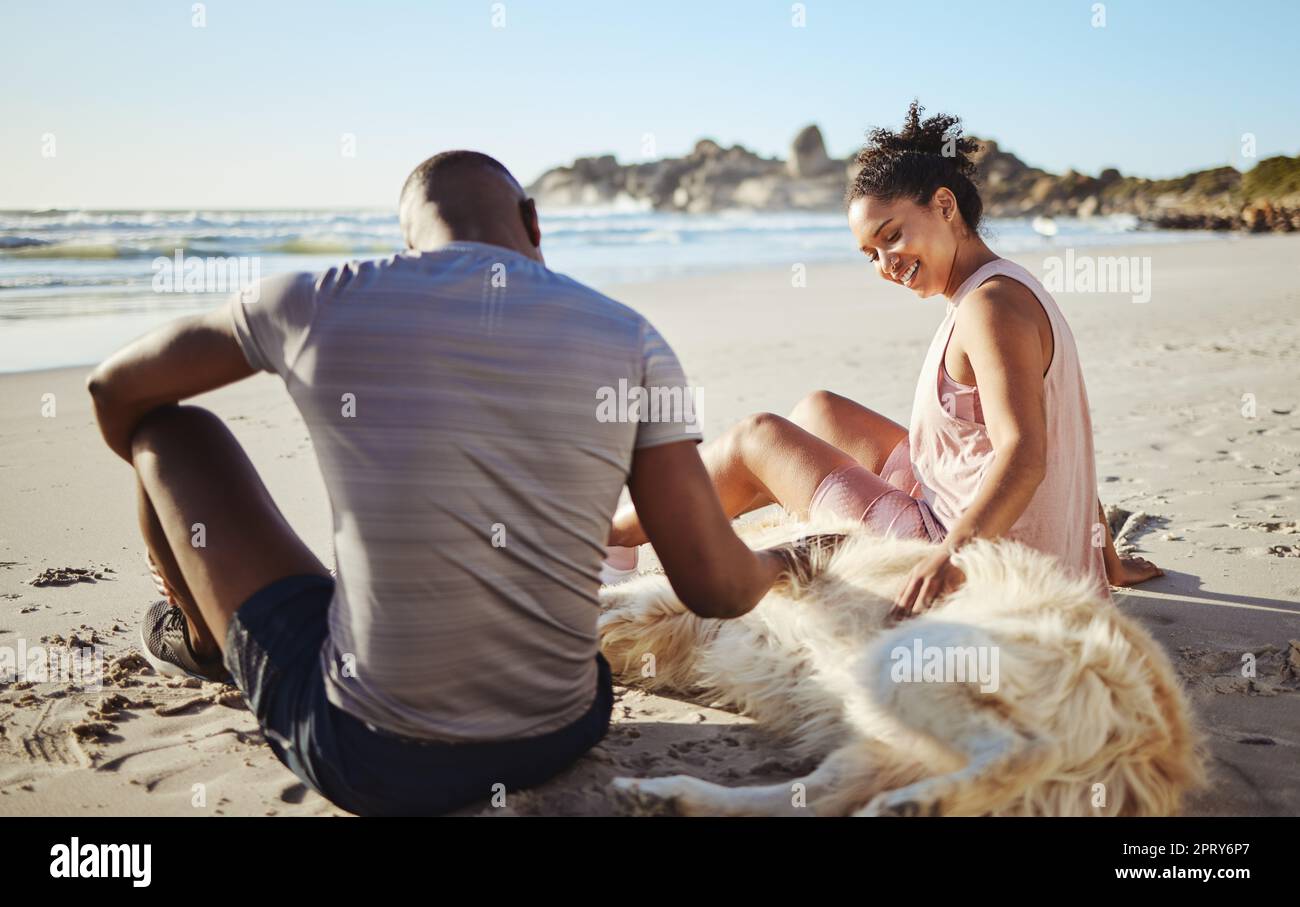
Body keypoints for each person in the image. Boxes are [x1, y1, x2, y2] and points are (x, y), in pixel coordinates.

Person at [87, 150, 820, 816]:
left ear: (410, 244)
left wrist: (178, 546)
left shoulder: (320, 301)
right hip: (566, 726)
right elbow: (715, 586)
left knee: (170, 432)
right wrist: (786, 558)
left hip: (371, 758)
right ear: (534, 223)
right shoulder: (630, 337)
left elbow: (112, 389)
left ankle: (199, 635)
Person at [608, 102, 1162, 619]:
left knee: (759, 437)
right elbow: (1064, 436)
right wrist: (1106, 562)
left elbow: (1027, 452)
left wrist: (950, 557)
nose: (885, 264)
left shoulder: (989, 309)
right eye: (870, 253)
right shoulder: (1003, 286)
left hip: (987, 566)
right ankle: (682, 519)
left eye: (892, 236)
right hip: (1020, 543)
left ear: (944, 206)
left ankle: (616, 536)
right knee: (820, 411)